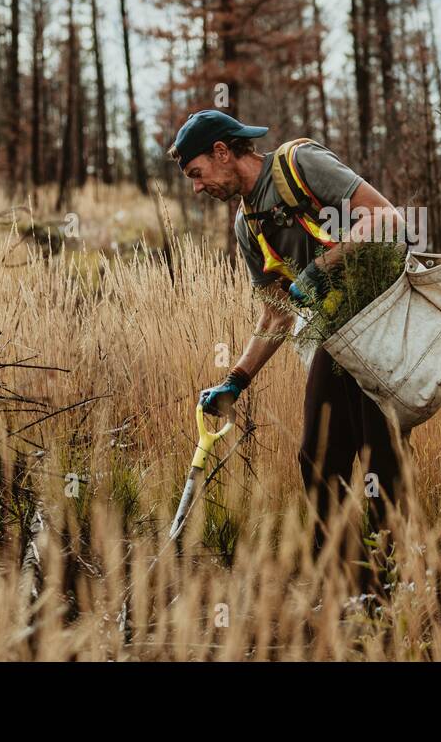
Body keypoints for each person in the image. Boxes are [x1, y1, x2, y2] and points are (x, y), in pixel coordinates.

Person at [168, 109, 406, 564]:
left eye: (197, 174)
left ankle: (392, 586)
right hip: (334, 338)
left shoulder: (300, 165)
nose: (197, 188)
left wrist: (321, 268)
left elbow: (386, 218)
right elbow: (276, 316)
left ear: (222, 151)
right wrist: (236, 379)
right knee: (317, 459)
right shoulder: (248, 226)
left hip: (382, 322)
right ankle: (344, 581)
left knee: (379, 463)